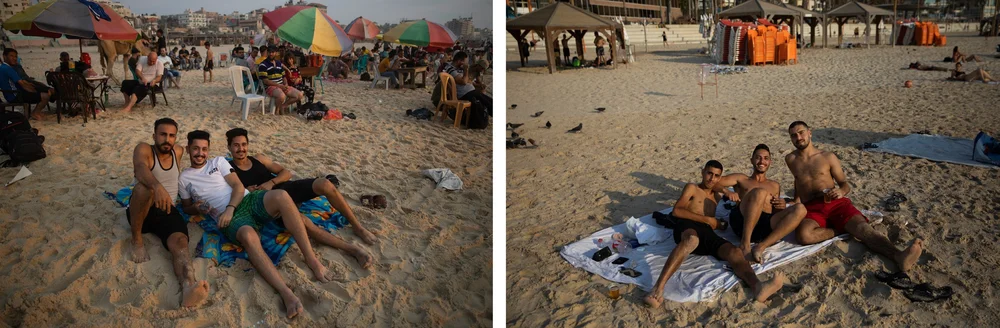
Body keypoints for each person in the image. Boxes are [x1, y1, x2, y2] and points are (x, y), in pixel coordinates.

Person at [180, 130, 346, 319]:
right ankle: (286, 292)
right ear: (188, 149)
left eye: (204, 149)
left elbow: (238, 187)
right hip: (232, 220)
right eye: (195, 149)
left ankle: (312, 259)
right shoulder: (184, 178)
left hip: (246, 201)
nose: (200, 153)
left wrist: (230, 208)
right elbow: (186, 207)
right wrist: (196, 207)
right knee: (248, 236)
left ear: (208, 149)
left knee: (282, 195)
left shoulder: (218, 162)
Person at [644, 161, 785, 308]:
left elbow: (717, 189)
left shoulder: (716, 195)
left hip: (706, 231)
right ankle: (658, 288)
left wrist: (719, 220)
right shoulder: (692, 188)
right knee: (692, 240)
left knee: (735, 252)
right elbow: (677, 211)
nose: (712, 178)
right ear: (702, 172)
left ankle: (758, 287)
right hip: (687, 225)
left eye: (717, 176)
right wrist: (709, 219)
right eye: (709, 173)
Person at [786, 121, 923, 272]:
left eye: (801, 132)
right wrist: (795, 200)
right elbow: (798, 180)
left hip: (834, 202)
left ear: (809, 133)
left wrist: (841, 192)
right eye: (794, 135)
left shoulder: (827, 157)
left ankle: (899, 256)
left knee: (863, 229)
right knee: (804, 236)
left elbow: (845, 184)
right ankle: (842, 229)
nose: (798, 137)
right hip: (812, 207)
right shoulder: (790, 159)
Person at [225, 128, 378, 245]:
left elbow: (286, 172)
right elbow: (228, 195)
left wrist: (271, 183)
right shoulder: (227, 169)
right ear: (229, 147)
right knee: (303, 222)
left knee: (325, 183)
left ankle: (358, 227)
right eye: (236, 145)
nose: (241, 149)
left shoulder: (259, 158)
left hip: (285, 188)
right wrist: (247, 191)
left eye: (244, 144)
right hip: (270, 205)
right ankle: (349, 248)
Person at [126, 118, 210, 308]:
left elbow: (199, 156)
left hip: (167, 210)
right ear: (154, 135)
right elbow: (140, 168)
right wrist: (157, 186)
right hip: (142, 210)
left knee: (180, 242)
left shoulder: (178, 151)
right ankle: (136, 239)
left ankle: (188, 285)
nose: (167, 139)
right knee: (143, 189)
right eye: (163, 134)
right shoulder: (144, 149)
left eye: (172, 135)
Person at [713, 144, 807, 263]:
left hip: (764, 228)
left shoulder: (774, 185)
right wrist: (726, 191)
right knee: (759, 192)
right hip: (742, 222)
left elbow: (774, 212)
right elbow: (713, 182)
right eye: (758, 157)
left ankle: (761, 246)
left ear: (770, 162)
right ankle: (745, 245)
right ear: (752, 160)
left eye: (766, 158)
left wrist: (781, 206)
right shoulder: (741, 179)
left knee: (800, 209)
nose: (762, 161)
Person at [0, 48, 52, 120]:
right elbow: (23, 84)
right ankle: (35, 113)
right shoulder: (8, 69)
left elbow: (22, 82)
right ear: (4, 56)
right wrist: (35, 91)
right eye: (11, 56)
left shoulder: (2, 67)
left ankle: (37, 112)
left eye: (15, 56)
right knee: (45, 95)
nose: (14, 58)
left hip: (10, 95)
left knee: (42, 89)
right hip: (15, 96)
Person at [443, 51, 492, 117]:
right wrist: (466, 70)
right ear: (459, 61)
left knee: (488, 100)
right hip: (464, 94)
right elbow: (464, 81)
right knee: (485, 102)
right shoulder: (451, 69)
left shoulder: (458, 69)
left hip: (469, 92)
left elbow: (468, 80)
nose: (465, 64)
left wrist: (466, 78)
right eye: (465, 62)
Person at [257, 46, 302, 114]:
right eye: (269, 52)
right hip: (270, 86)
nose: (271, 54)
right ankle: (278, 110)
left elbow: (283, 76)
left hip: (281, 85)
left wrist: (286, 84)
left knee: (299, 95)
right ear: (267, 53)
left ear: (276, 53)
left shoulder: (278, 63)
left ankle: (282, 106)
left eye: (272, 52)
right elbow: (265, 81)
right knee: (282, 96)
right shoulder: (263, 64)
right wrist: (280, 86)